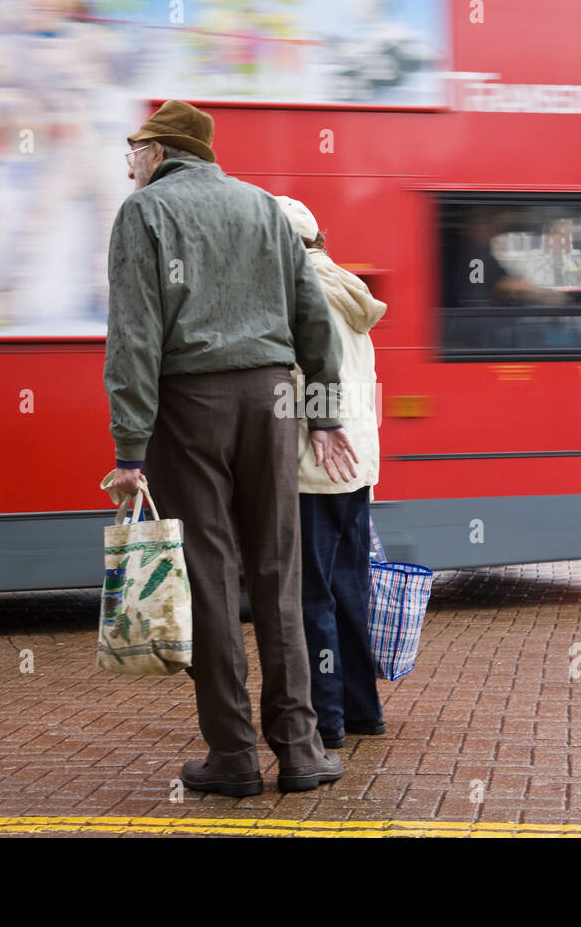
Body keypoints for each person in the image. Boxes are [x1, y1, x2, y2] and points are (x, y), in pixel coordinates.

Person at [102, 100, 359, 797]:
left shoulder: (145, 213)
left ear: (160, 153)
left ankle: (234, 757)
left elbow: (134, 335)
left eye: (135, 152)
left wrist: (130, 449)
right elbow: (313, 316)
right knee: (279, 571)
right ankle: (302, 752)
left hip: (190, 406)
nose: (131, 165)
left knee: (211, 579)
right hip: (273, 400)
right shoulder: (264, 208)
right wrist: (324, 414)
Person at [275, 195, 388, 751]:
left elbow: (308, 383)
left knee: (311, 594)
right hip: (356, 465)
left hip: (314, 466)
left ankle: (327, 719)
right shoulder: (347, 289)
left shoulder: (301, 293)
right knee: (348, 588)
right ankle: (362, 709)